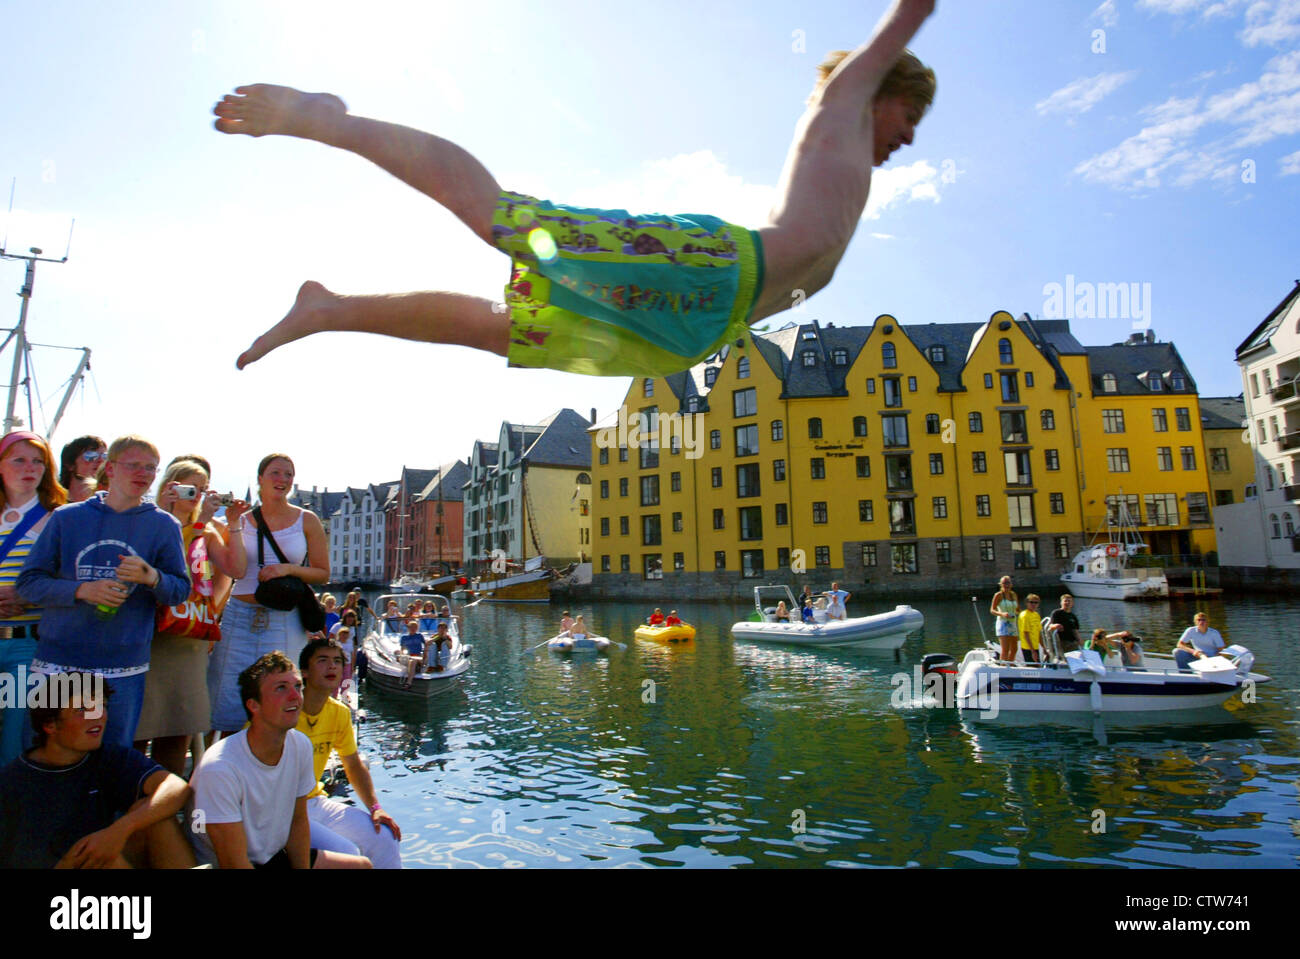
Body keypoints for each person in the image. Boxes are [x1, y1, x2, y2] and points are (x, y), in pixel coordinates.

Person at [214, 1, 936, 378]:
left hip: (691, 332)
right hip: (707, 269)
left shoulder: (859, 173)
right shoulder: (842, 101)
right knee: (505, 221)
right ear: (883, 86)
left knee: (501, 329)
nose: (910, 135)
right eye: (911, 114)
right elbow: (912, 9)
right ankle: (325, 119)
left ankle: (331, 309)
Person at [17, 435, 190, 749]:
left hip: (123, 666)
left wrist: (151, 577)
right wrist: (83, 590)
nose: (143, 474)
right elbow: (29, 583)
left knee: (111, 762)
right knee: (47, 753)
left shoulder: (164, 526)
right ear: (110, 468)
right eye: (133, 465)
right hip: (60, 660)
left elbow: (179, 592)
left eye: (151, 468)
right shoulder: (67, 517)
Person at [189, 651, 369, 868]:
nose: (295, 696)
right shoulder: (221, 768)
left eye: (297, 686)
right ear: (253, 705)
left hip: (271, 856)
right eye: (281, 688)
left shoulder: (299, 745)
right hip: (223, 864)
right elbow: (233, 862)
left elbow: (298, 822)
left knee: (362, 866)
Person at [0, 672, 194, 868]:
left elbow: (176, 787)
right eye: (82, 709)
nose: (99, 716)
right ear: (50, 724)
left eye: (101, 706)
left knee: (153, 815)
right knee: (97, 859)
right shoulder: (14, 782)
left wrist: (120, 830)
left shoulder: (108, 757)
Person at [134, 459, 247, 775]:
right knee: (139, 727)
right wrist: (191, 521)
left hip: (189, 636)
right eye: (189, 488)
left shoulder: (208, 530)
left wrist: (234, 523)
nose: (196, 495)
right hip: (150, 635)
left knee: (178, 726)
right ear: (170, 487)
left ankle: (164, 804)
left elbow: (236, 569)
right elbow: (170, 565)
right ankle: (134, 804)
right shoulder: (150, 522)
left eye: (202, 488)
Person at [206, 453, 329, 734]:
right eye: (275, 473)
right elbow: (234, 570)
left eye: (288, 474)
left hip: (284, 618)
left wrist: (287, 569)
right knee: (229, 696)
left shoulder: (306, 520)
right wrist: (233, 523)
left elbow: (323, 573)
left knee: (280, 698)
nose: (283, 480)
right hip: (239, 617)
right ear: (260, 478)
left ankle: (273, 770)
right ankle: (231, 769)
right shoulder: (241, 519)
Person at [295, 639, 401, 868]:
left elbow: (352, 764)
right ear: (304, 672)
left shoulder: (340, 712)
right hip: (283, 810)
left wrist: (375, 808)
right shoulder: (285, 711)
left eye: (336, 661)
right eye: (322, 661)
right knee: (347, 853)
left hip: (314, 802)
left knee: (385, 837)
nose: (332, 667)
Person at [0, 431, 67, 765]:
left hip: (29, 645)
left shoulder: (60, 518)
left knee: (17, 735)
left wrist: (26, 594)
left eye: (38, 461)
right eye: (19, 460)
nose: (30, 468)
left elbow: (70, 580)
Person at [57, 435, 106, 504]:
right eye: (91, 456)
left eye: (105, 456)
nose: (100, 460)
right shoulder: (52, 504)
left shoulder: (111, 504)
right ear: (70, 465)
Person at [989, 575, 1019, 662]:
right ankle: (1003, 666)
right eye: (1004, 583)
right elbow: (992, 610)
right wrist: (1002, 614)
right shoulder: (998, 595)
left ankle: (1010, 666)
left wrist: (1019, 613)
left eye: (1008, 582)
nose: (1007, 585)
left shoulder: (1014, 595)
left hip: (1013, 623)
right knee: (1005, 649)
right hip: (1003, 624)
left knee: (1014, 649)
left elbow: (1017, 609)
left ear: (1011, 584)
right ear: (1001, 584)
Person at [1045, 593, 1081, 663]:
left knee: (1077, 658)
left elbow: (1075, 630)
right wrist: (1055, 626)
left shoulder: (1073, 616)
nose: (1067, 603)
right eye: (1065, 601)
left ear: (1072, 604)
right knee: (1065, 658)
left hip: (1072, 642)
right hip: (1061, 641)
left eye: (1069, 601)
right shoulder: (1057, 613)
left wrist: (1079, 640)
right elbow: (1050, 626)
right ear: (1061, 602)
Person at [399, 619, 427, 689]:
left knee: (413, 661)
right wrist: (402, 655)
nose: (413, 629)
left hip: (417, 656)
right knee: (399, 653)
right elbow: (402, 649)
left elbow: (426, 644)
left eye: (415, 627)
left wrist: (425, 653)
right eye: (411, 627)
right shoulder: (404, 638)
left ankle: (409, 682)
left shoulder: (419, 636)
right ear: (408, 628)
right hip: (408, 656)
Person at [1017, 594, 1044, 664]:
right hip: (1028, 647)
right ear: (1027, 603)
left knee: (1038, 665)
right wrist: (1033, 651)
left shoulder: (1036, 615)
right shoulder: (1024, 615)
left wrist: (1044, 648)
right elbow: (1026, 634)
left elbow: (1039, 633)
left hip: (1036, 646)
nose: (1033, 604)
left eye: (1036, 602)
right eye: (1031, 602)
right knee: (1033, 668)